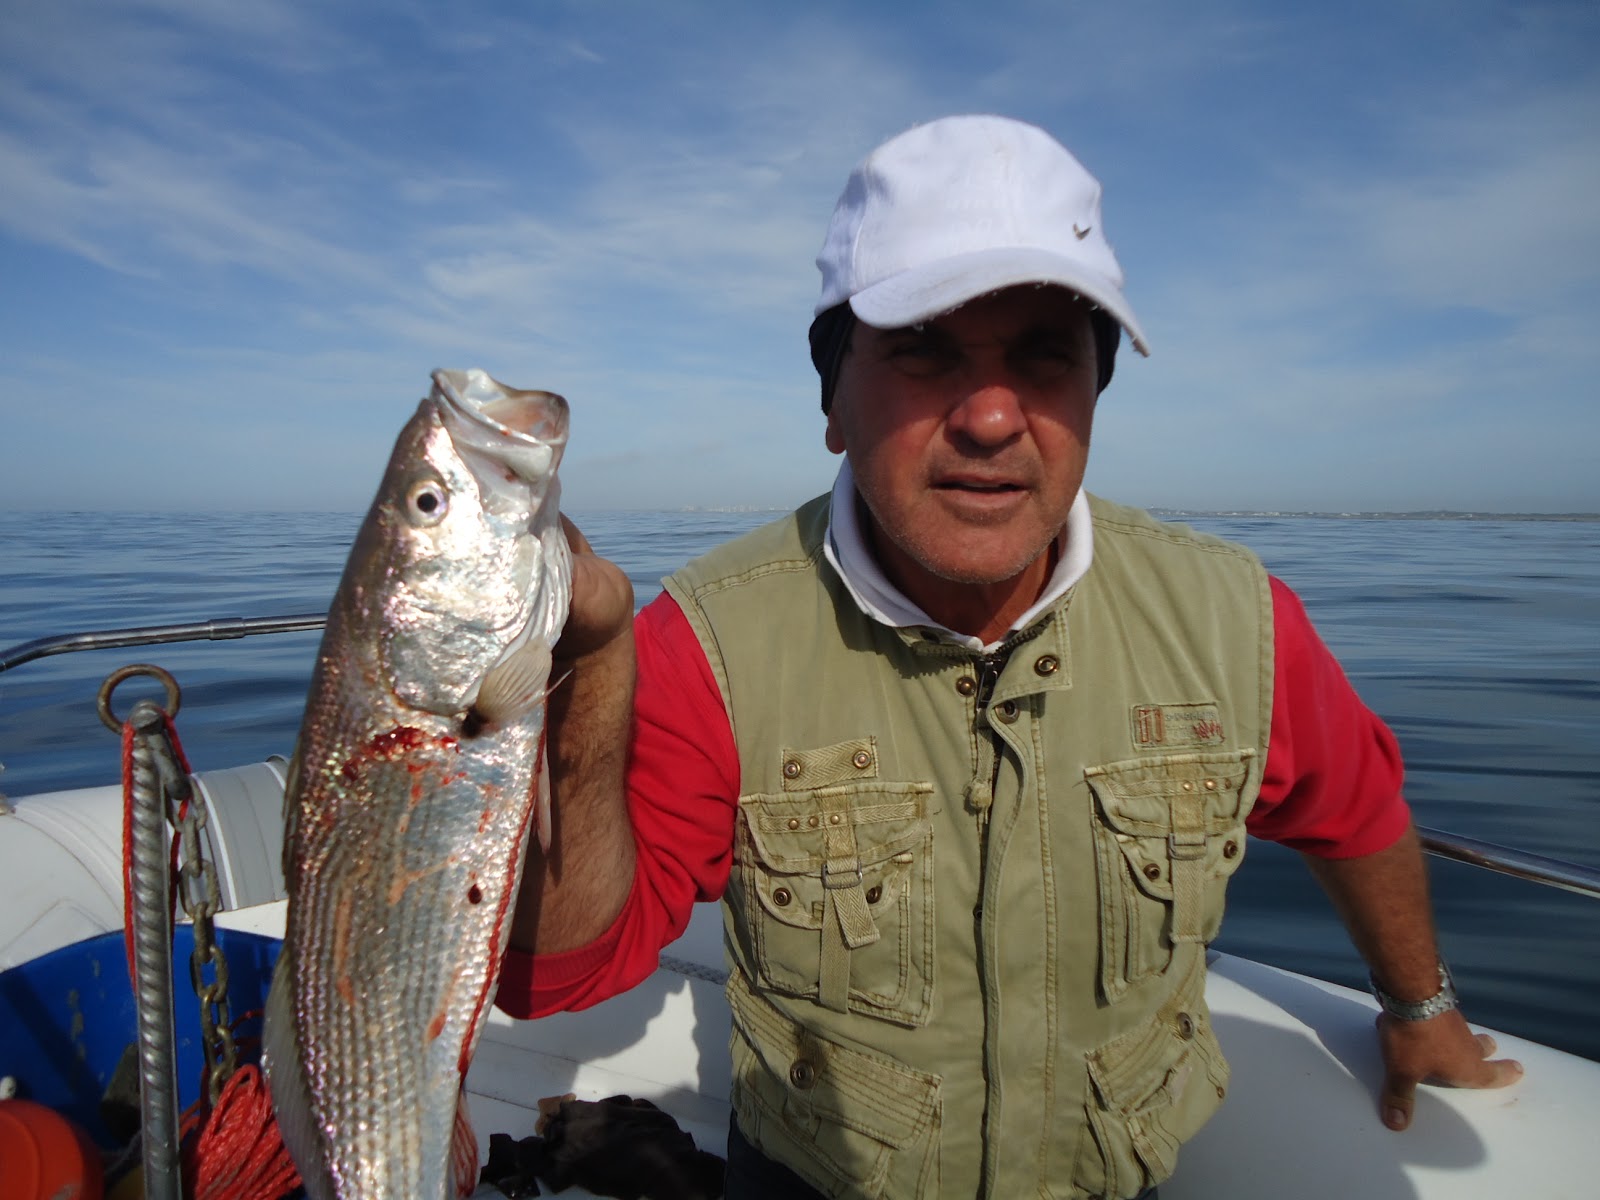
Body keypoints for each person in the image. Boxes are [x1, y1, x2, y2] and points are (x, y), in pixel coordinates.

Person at [497, 115, 1522, 1200]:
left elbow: (1351, 813)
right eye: (923, 350)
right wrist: (595, 672)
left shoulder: (1238, 622)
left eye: (1044, 354)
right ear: (832, 400)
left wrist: (1419, 1008)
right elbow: (557, 969)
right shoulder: (704, 642)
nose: (991, 416)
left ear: (1091, 397)